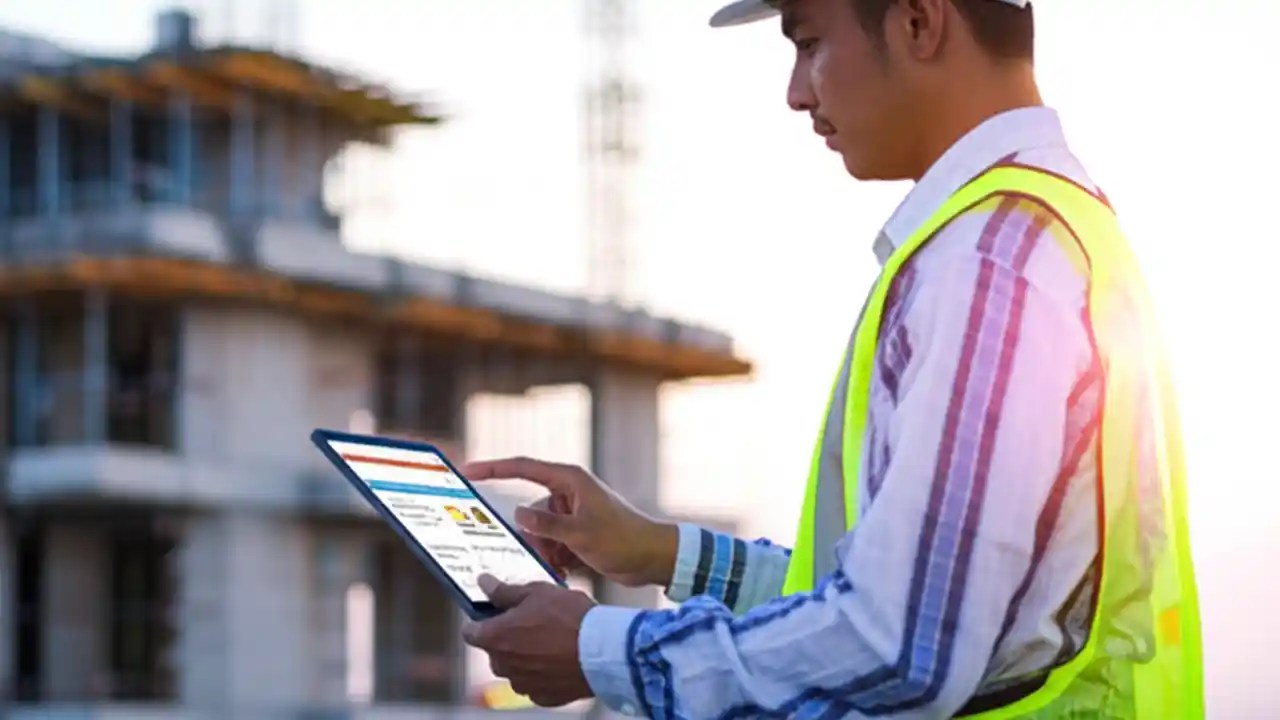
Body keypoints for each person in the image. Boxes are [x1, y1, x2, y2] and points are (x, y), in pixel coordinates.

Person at [460, 0, 1204, 717]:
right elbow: (911, 597)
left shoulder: (987, 263)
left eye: (809, 42)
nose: (793, 92)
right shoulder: (1048, 232)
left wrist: (600, 651)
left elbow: (900, 644)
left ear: (918, 20)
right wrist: (662, 552)